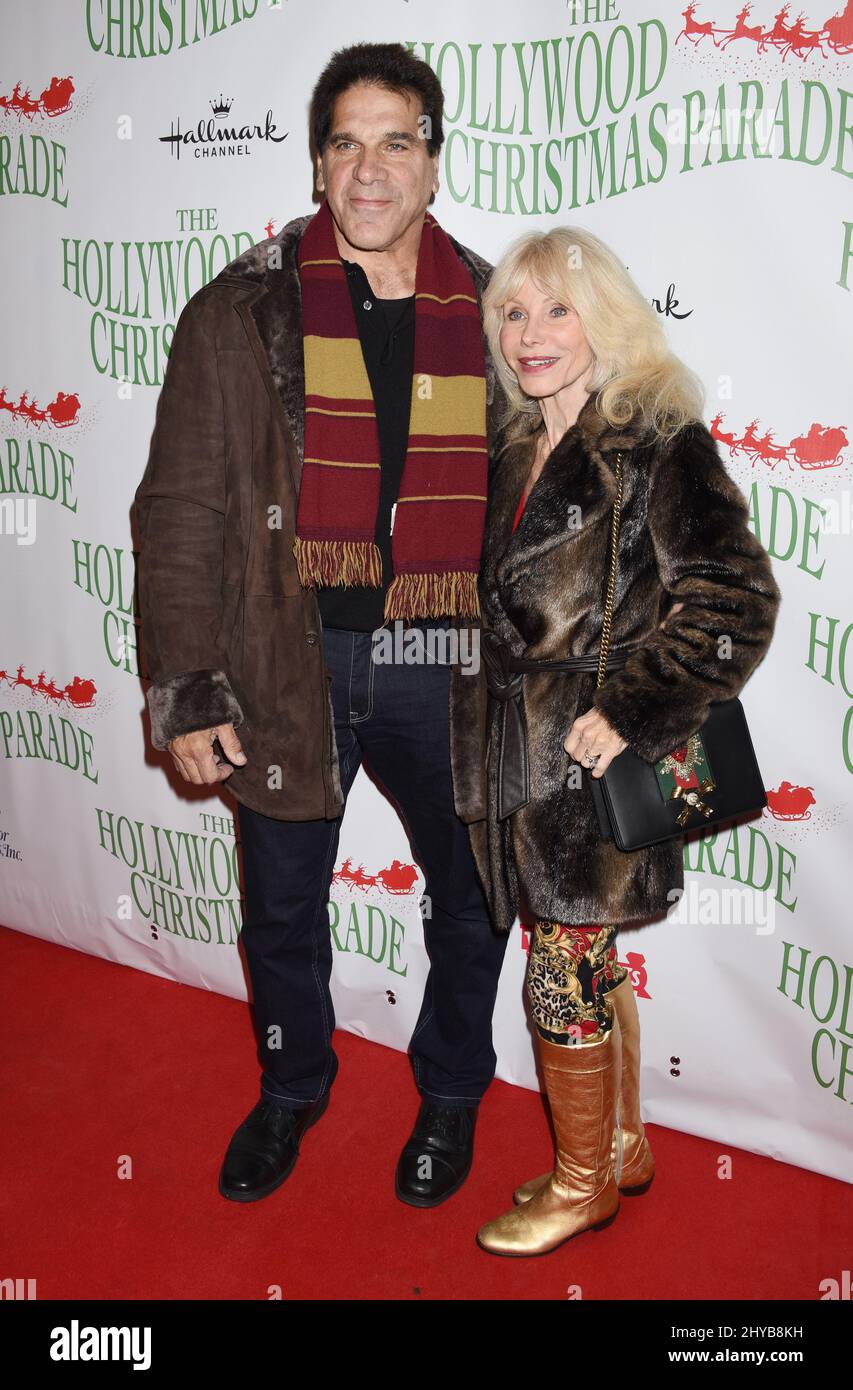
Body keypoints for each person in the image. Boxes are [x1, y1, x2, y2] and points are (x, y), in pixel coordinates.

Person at [133, 42, 511, 1209]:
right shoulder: (239, 310)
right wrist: (187, 688)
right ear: (315, 163)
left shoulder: (499, 312)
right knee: (282, 907)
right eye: (345, 141)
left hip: (436, 652)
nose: (369, 167)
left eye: (397, 139)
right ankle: (293, 1087)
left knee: (472, 896)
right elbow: (182, 506)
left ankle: (451, 1089)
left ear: (433, 164)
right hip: (283, 654)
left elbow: (551, 508)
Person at [447, 225, 782, 1256]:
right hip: (513, 757)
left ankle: (580, 1182)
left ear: (605, 321)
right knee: (582, 959)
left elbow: (735, 599)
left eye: (556, 309)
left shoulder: (654, 436)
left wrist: (632, 710)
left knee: (559, 965)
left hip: (593, 768)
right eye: (512, 309)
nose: (530, 332)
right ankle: (623, 1141)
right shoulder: (510, 440)